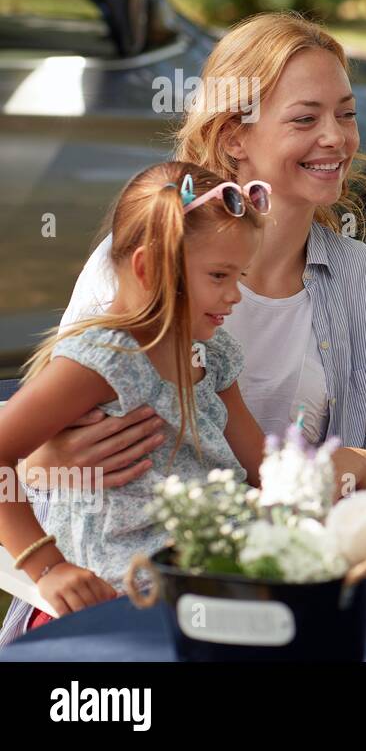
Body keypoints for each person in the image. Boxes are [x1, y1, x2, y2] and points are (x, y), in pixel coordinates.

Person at [2, 13, 366, 646]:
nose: (336, 138)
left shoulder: (359, 281)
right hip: (111, 597)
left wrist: (357, 467)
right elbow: (37, 432)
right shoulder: (141, 264)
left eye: (346, 114)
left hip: (252, 582)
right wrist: (48, 466)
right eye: (305, 118)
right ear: (235, 135)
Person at [0, 163, 268, 624]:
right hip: (124, 599)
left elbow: (261, 467)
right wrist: (47, 566)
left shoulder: (213, 354)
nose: (235, 295)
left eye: (240, 275)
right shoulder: (102, 362)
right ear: (149, 268)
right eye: (220, 276)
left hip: (216, 579)